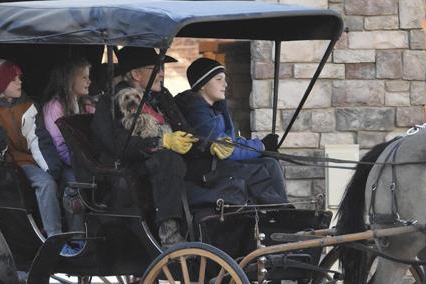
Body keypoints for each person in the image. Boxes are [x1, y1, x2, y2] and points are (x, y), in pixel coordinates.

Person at [91, 46, 197, 248]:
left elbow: (183, 128)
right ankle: (169, 233)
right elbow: (120, 146)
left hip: (164, 166)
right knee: (168, 159)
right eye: (155, 68)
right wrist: (161, 142)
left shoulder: (161, 96)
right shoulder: (116, 101)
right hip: (131, 170)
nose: (162, 74)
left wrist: (207, 146)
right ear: (135, 74)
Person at [0, 56, 65, 244]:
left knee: (64, 179)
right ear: (1, 84)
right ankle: (54, 237)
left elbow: (38, 138)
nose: (20, 81)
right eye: (13, 79)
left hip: (28, 160)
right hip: (6, 166)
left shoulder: (27, 106)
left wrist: (50, 167)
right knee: (45, 184)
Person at [175, 57, 288, 206]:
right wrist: (261, 146)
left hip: (219, 163)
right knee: (263, 168)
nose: (225, 84)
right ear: (202, 84)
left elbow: (231, 141)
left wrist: (262, 146)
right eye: (218, 79)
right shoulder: (197, 113)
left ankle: (280, 209)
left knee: (270, 163)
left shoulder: (215, 109)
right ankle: (279, 210)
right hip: (207, 167)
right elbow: (227, 149)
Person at [41, 57, 96, 253]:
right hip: (66, 162)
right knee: (74, 184)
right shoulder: (54, 107)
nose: (89, 81)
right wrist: (82, 164)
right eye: (84, 77)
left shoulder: (87, 104)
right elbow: (60, 146)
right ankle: (77, 237)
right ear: (69, 79)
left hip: (89, 160)